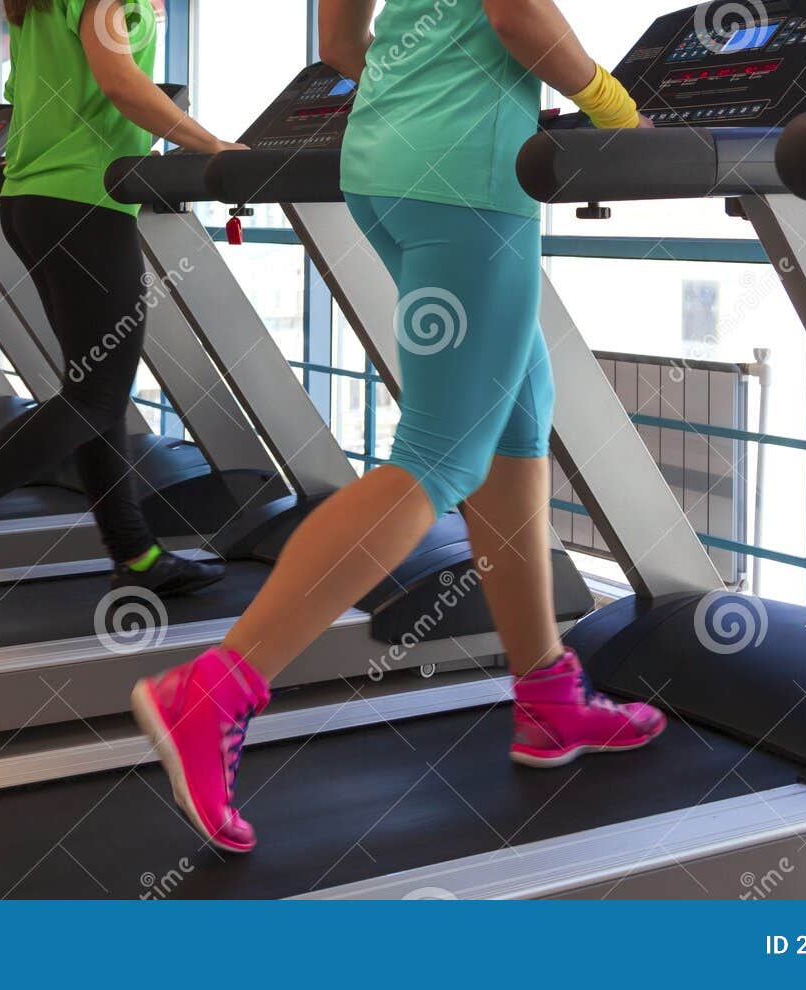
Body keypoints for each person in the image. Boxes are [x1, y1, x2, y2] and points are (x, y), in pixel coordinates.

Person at [128, 0, 668, 854]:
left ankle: (548, 697)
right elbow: (518, 15)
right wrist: (611, 105)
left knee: (518, 421)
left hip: (384, 164)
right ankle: (213, 690)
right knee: (442, 453)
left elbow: (341, 44)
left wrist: (430, 79)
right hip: (470, 176)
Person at [0, 0, 240, 627]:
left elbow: (29, 95)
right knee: (97, 397)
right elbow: (120, 83)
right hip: (84, 203)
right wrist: (215, 148)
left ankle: (135, 554)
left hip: (34, 203)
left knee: (91, 393)